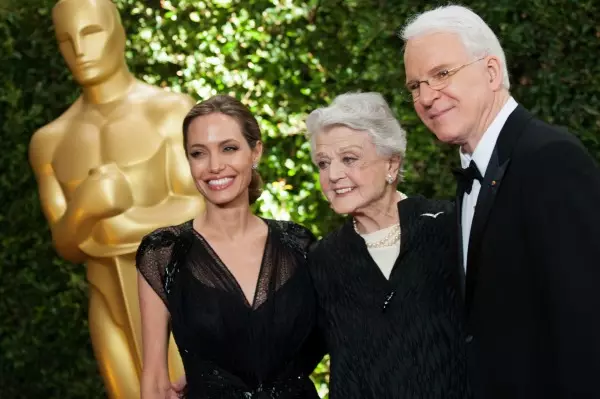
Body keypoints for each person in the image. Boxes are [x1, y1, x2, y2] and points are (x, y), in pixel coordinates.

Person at [401, 5, 600, 398]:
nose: (426, 96)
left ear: (491, 72)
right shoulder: (474, 170)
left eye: (442, 74)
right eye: (414, 86)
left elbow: (587, 324)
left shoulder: (550, 158)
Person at [136, 95, 324, 399]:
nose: (214, 166)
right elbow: (156, 381)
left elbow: (338, 336)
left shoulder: (298, 244)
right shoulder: (164, 252)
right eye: (199, 153)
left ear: (255, 151)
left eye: (229, 148)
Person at [305, 92, 469, 398]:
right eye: (323, 163)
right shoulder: (322, 260)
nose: (333, 175)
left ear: (391, 163)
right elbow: (287, 354)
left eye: (349, 159)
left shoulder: (450, 227)